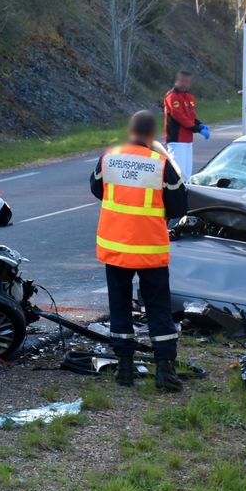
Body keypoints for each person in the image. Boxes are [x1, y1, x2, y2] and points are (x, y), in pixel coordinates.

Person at [90, 110, 188, 392]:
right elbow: (179, 206)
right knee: (158, 307)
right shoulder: (160, 164)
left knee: (119, 306)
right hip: (149, 249)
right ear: (151, 135)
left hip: (116, 248)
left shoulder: (109, 157)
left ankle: (124, 370)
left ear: (131, 130)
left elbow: (97, 188)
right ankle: (164, 372)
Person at [163, 70, 209, 176]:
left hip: (188, 140)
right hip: (176, 141)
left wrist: (200, 124)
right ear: (176, 81)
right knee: (179, 173)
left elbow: (191, 116)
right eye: (182, 81)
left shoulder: (189, 96)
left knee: (187, 174)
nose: (185, 84)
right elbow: (180, 117)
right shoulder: (172, 96)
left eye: (187, 82)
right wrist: (198, 129)